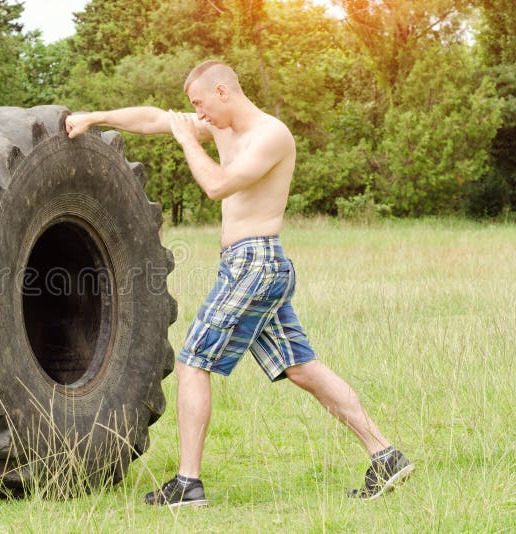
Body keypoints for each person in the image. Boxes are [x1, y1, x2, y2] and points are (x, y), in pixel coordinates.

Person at [65, 60, 414, 507]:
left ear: (223, 91)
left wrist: (190, 140)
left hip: (256, 263)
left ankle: (187, 484)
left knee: (193, 361)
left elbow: (218, 185)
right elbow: (157, 118)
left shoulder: (271, 135)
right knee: (302, 368)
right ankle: (385, 456)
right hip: (244, 264)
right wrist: (96, 118)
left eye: (200, 104)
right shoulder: (223, 127)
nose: (199, 114)